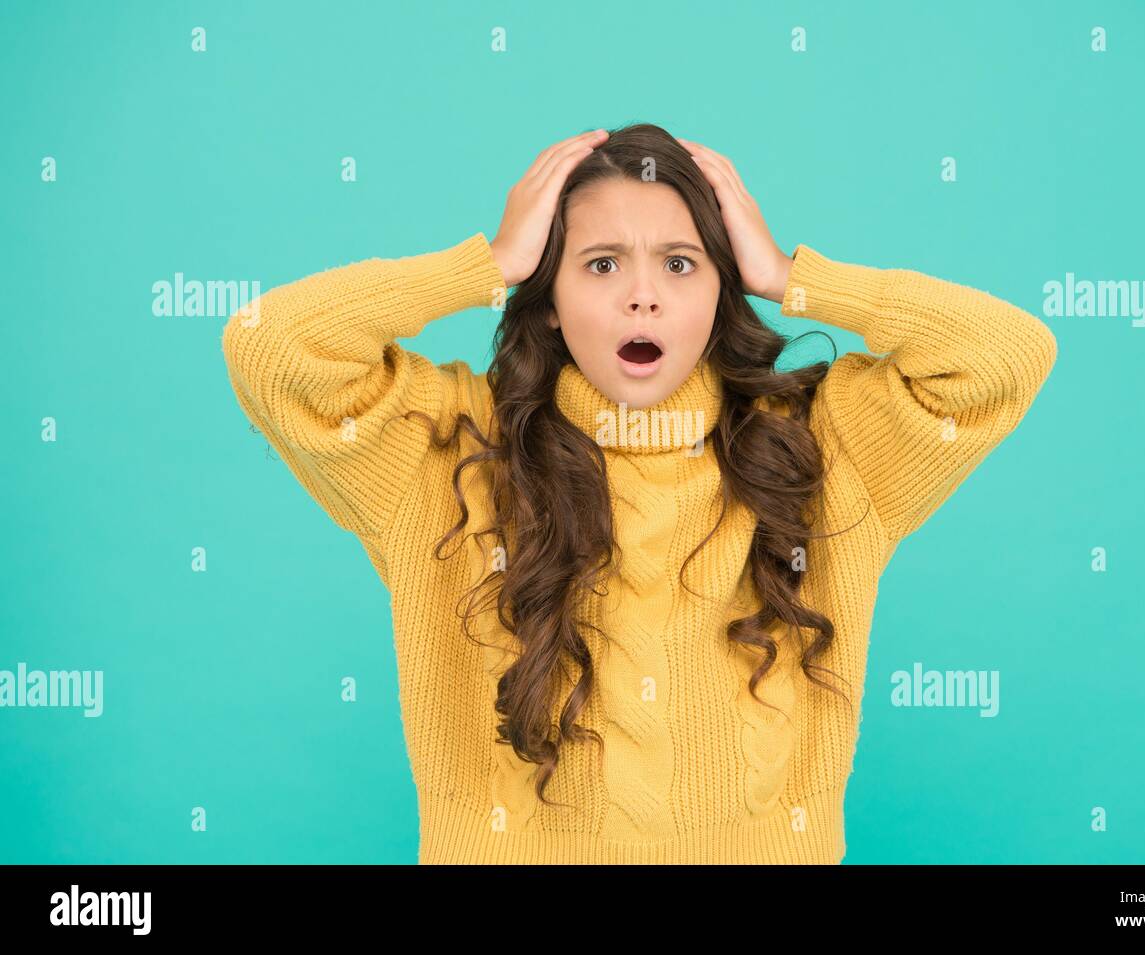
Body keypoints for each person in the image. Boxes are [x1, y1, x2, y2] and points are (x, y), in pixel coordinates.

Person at [221, 123, 1057, 864]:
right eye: (600, 263)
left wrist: (791, 274)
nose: (643, 293)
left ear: (719, 292)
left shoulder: (821, 442)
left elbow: (1007, 356)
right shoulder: (449, 447)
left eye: (682, 263)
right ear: (547, 303)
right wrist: (486, 265)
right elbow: (271, 348)